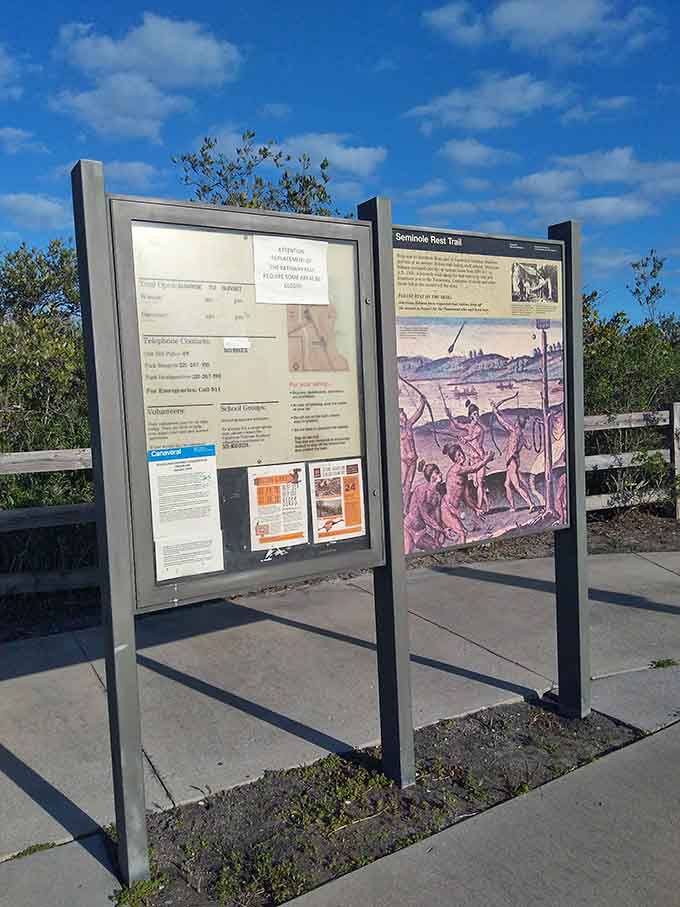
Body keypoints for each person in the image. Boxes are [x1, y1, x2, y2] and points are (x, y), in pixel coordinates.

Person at [440, 444, 494, 544]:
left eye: (461, 453)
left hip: (455, 510)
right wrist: (486, 460)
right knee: (462, 533)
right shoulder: (456, 469)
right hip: (447, 508)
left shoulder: (464, 476)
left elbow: (467, 497)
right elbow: (474, 468)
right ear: (454, 459)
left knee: (463, 533)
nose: (461, 456)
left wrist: (476, 509)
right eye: (458, 455)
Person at [491, 401, 538, 513]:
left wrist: (496, 413)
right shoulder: (521, 434)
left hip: (512, 461)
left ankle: (531, 504)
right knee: (507, 484)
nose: (515, 422)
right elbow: (529, 446)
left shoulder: (515, 431)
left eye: (517, 420)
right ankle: (512, 507)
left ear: (518, 422)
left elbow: (503, 423)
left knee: (517, 485)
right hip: (514, 460)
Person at [403, 461, 455, 554]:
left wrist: (437, 537)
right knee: (407, 554)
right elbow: (425, 516)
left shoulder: (437, 496)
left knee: (437, 548)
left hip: (421, 532)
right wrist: (442, 530)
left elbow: (437, 519)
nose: (441, 474)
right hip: (408, 528)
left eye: (439, 472)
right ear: (431, 476)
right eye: (437, 472)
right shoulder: (420, 490)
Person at [399, 386, 427, 510]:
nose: (404, 416)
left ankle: (405, 508)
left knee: (409, 484)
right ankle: (398, 507)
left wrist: (422, 403)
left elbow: (418, 414)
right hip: (404, 460)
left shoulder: (409, 425)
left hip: (413, 459)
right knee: (402, 483)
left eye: (404, 414)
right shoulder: (395, 429)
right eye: (402, 414)